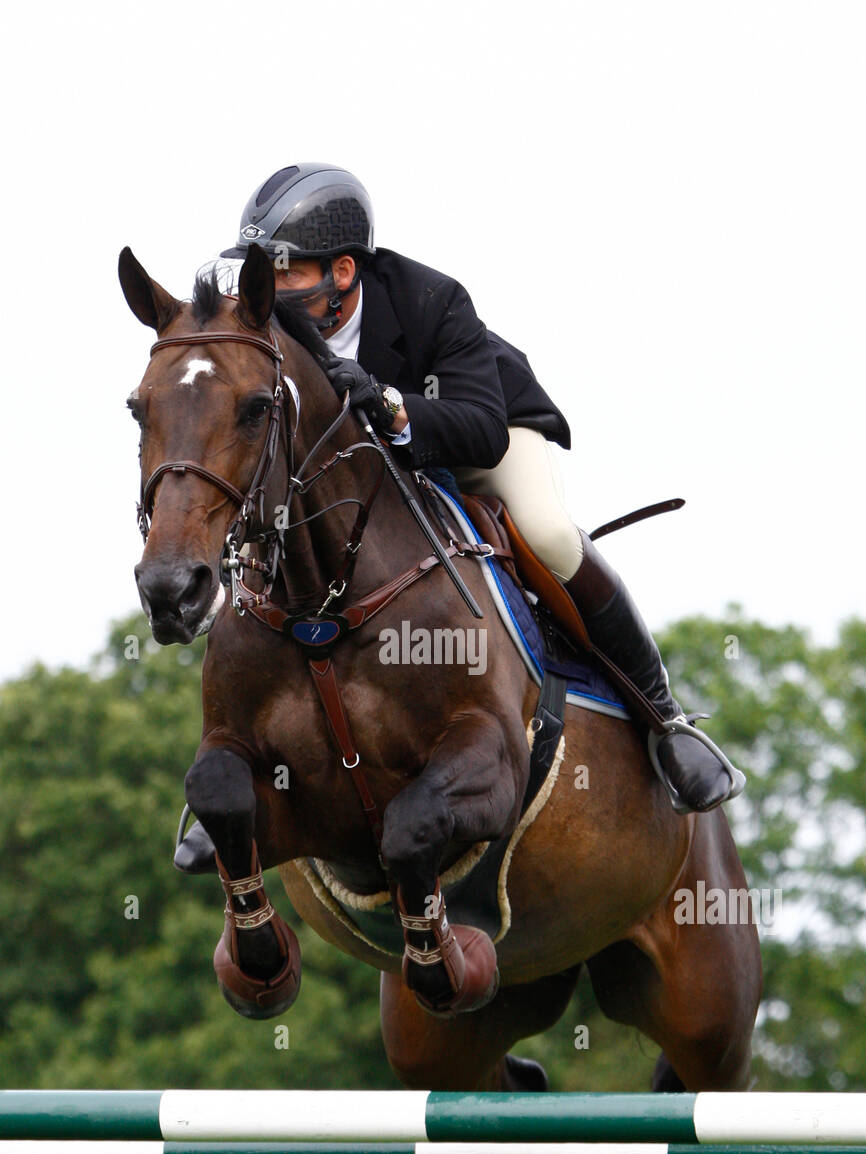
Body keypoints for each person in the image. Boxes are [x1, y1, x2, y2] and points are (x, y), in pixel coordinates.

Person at [209, 163, 743, 819]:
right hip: (357, 468)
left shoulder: (430, 300)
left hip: (477, 435)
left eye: (284, 272)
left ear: (342, 272)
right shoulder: (263, 325)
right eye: (260, 271)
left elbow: (484, 430)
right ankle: (238, 765)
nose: (269, 289)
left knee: (546, 531)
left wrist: (395, 409)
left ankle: (666, 720)